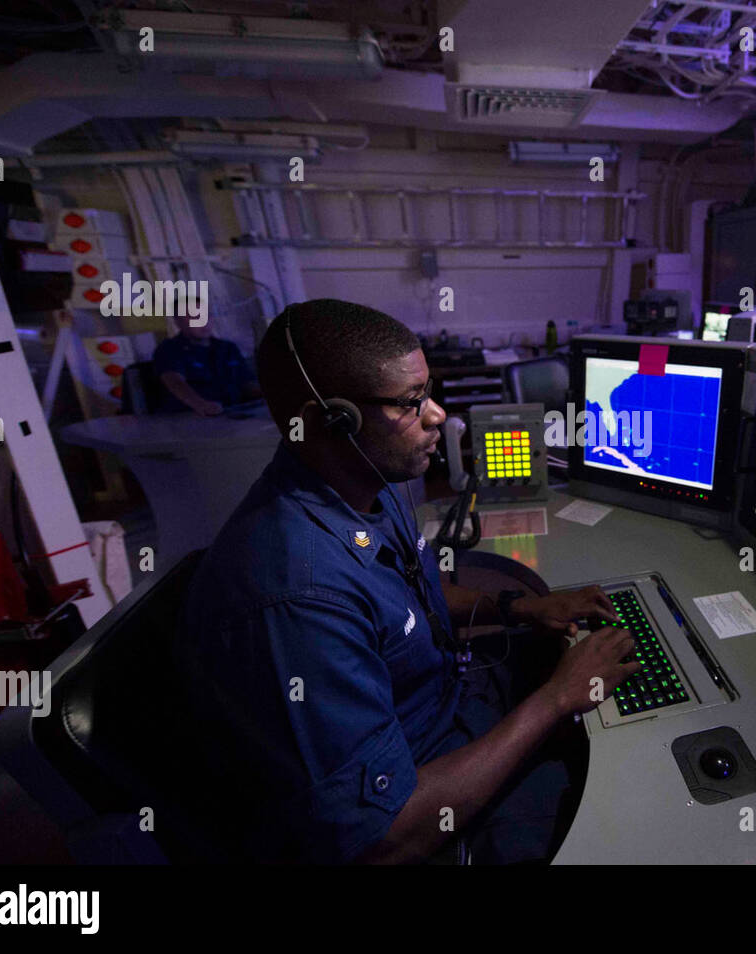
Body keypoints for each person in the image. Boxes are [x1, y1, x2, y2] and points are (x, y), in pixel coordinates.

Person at [176, 298, 638, 864]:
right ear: (333, 420)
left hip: (453, 707)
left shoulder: (367, 483)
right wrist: (555, 700)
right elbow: (382, 839)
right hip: (423, 807)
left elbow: (415, 599)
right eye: (412, 403)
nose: (438, 415)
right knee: (634, 820)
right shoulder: (296, 596)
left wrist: (518, 608)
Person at [153, 315, 261, 415]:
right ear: (178, 322)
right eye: (195, 317)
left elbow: (247, 383)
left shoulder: (227, 348)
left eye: (207, 315)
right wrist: (201, 405)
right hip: (191, 419)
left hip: (233, 413)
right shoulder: (169, 349)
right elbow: (175, 382)